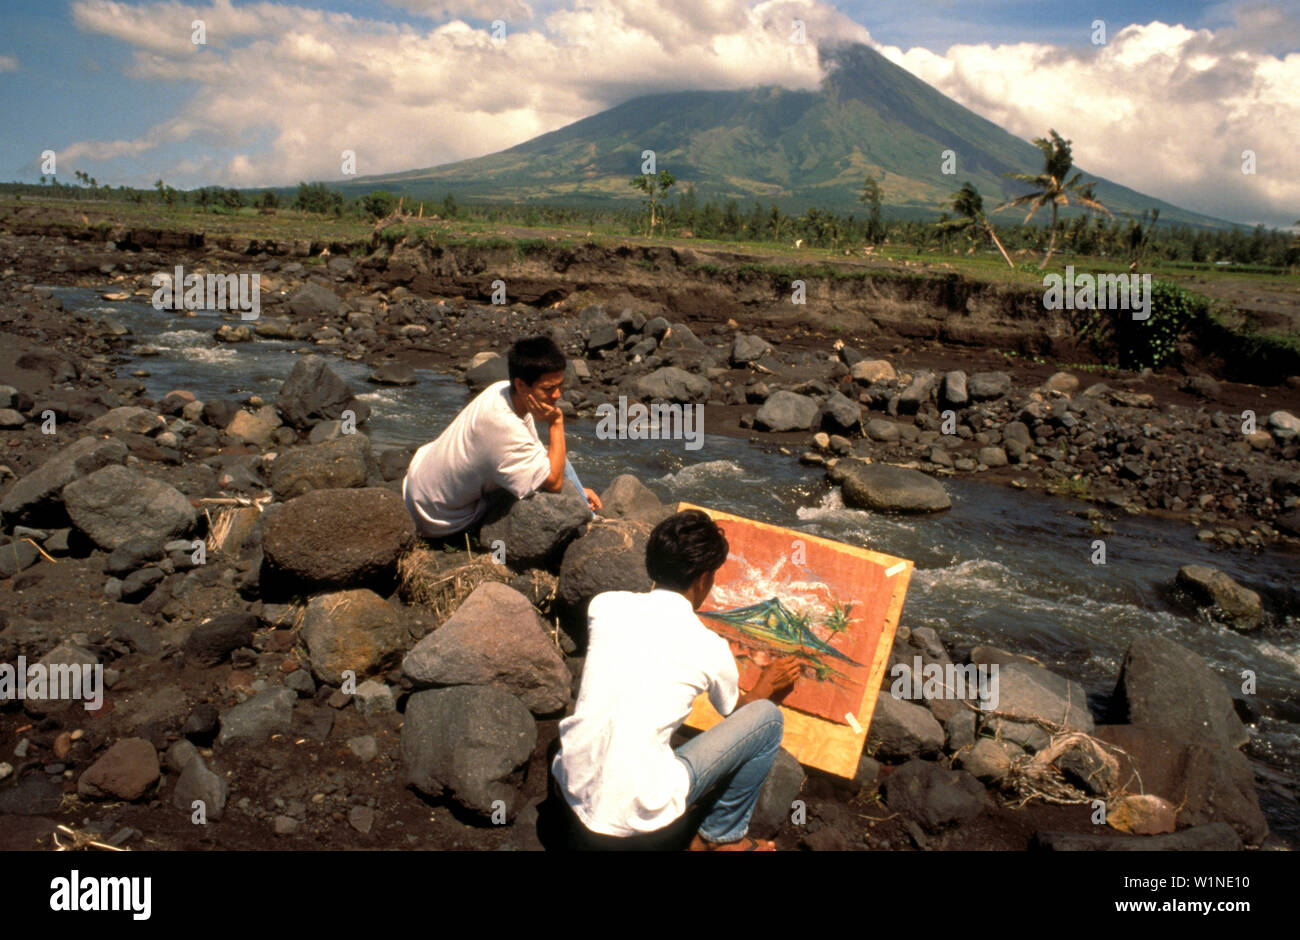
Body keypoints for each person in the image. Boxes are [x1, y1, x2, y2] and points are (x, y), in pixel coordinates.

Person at [551, 509, 801, 851]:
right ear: (703, 580)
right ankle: (722, 839)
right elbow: (737, 715)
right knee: (768, 720)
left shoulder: (605, 606)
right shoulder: (710, 646)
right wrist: (766, 687)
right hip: (636, 820)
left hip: (572, 796)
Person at [402, 336, 602, 539]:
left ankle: (587, 511)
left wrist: (577, 492)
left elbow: (542, 459)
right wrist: (556, 422)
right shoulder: (502, 426)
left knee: (551, 456)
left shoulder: (501, 390)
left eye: (559, 386)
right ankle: (591, 525)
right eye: (549, 388)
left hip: (419, 489)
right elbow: (555, 483)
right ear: (522, 385)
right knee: (554, 465)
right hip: (440, 519)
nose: (557, 395)